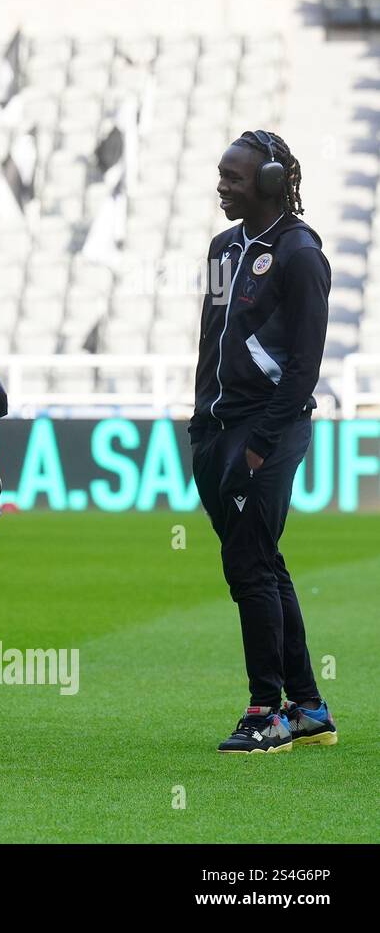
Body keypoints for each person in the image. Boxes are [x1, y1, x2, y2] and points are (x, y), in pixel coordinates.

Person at [191, 129, 337, 753]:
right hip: (218, 431)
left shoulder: (301, 255)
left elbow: (305, 364)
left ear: (273, 183)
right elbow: (209, 341)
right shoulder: (224, 250)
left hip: (269, 430)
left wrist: (262, 442)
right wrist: (200, 424)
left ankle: (265, 708)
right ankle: (307, 707)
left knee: (249, 565)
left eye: (234, 177)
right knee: (260, 563)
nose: (221, 185)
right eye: (221, 174)